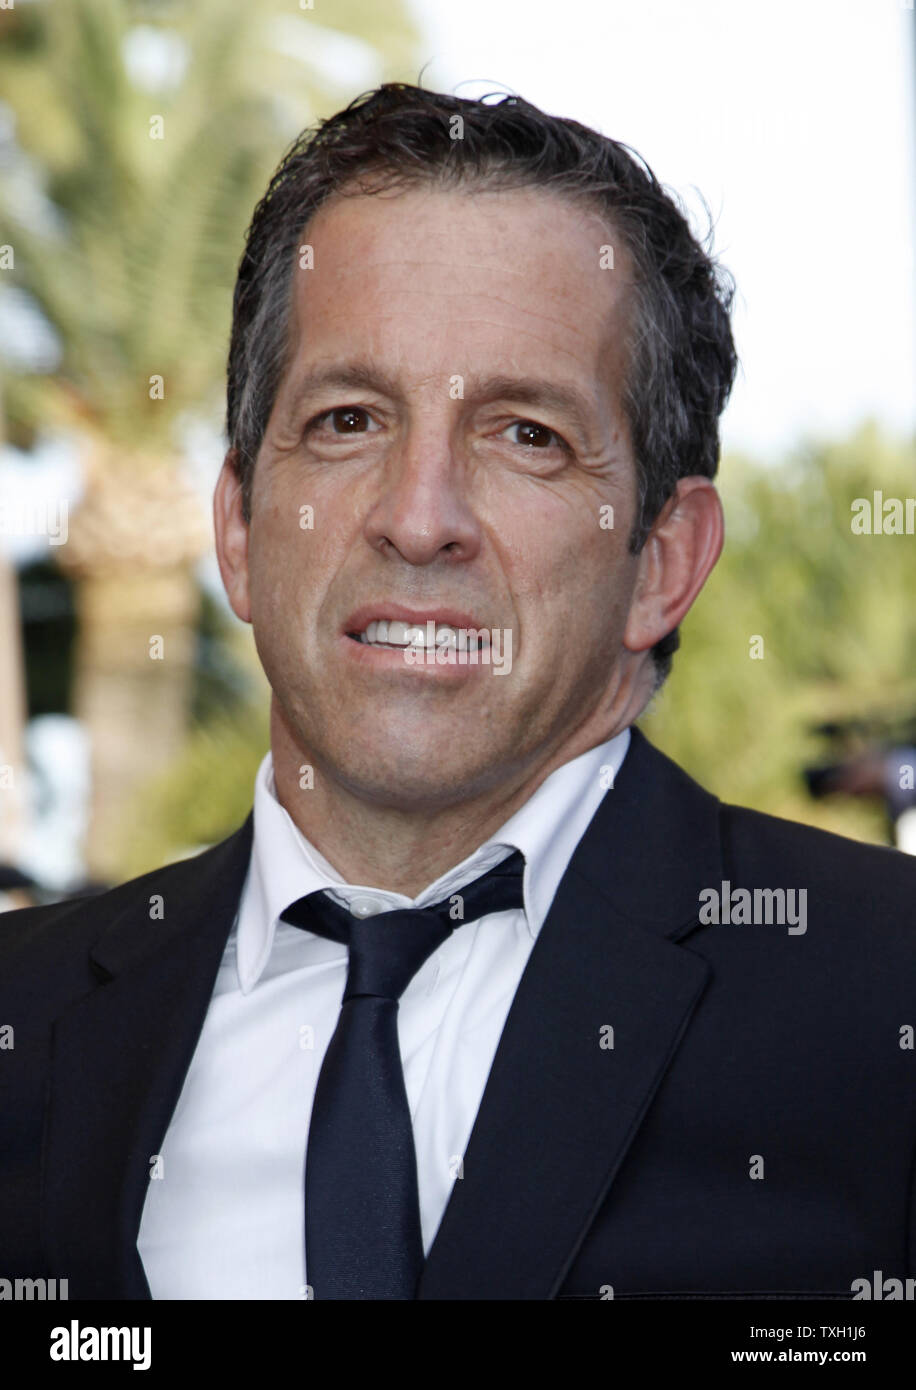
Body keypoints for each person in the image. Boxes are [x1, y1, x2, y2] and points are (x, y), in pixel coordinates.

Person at [1, 84, 913, 1302]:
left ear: (662, 560)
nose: (418, 517)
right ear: (237, 527)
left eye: (525, 433)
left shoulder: (881, 993)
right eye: (347, 419)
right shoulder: (25, 1019)